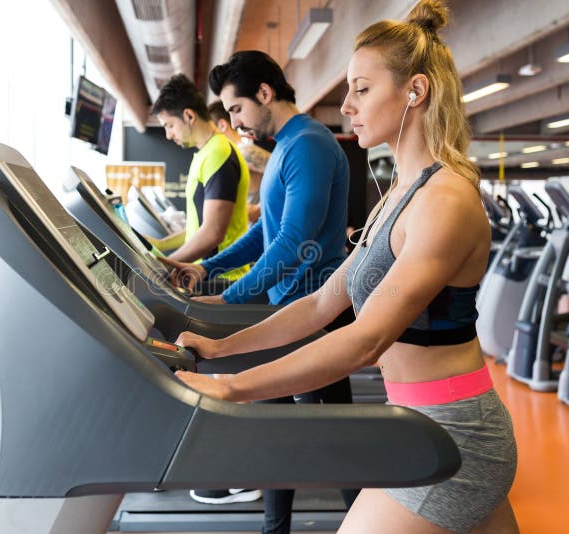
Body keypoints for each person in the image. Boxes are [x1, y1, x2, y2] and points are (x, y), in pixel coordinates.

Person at [171, 2, 520, 532]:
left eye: (361, 88)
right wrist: (221, 349)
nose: (347, 105)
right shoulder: (397, 196)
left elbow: (365, 341)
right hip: (415, 426)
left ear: (415, 92)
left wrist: (233, 388)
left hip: (456, 436)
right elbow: (319, 302)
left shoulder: (444, 201)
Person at [160, 52, 358, 530]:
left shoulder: (308, 144)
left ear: (265, 94)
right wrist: (205, 267)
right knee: (276, 434)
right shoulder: (289, 145)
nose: (234, 121)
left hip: (313, 313)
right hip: (290, 310)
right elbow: (264, 234)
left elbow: (293, 244)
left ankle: (369, 518)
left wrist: (229, 298)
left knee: (343, 445)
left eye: (236, 109)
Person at [149, 74, 251, 282]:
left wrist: (160, 270)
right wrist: (160, 245)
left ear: (188, 116)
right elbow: (200, 226)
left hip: (221, 279)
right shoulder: (205, 153)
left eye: (169, 125)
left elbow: (213, 232)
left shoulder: (218, 153)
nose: (168, 135)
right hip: (204, 276)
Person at [208, 100, 270, 224]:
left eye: (209, 129)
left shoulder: (245, 152)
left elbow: (287, 173)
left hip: (260, 231)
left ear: (222, 125)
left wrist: (259, 208)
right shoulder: (229, 156)